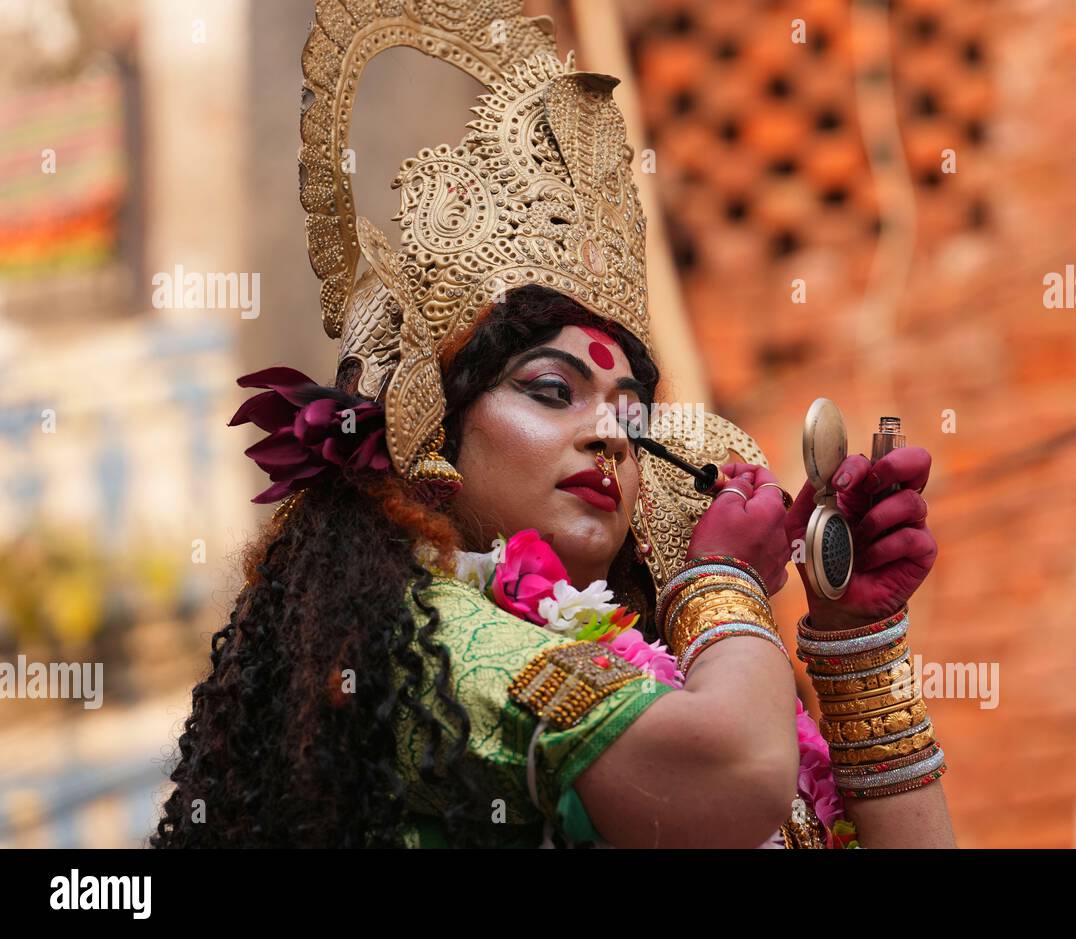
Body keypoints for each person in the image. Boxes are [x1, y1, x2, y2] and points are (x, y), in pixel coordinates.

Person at [151, 0, 955, 849]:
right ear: (436, 436)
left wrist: (852, 639)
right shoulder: (426, 637)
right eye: (548, 389)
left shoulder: (680, 671)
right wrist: (722, 578)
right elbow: (730, 782)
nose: (611, 434)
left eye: (631, 411)